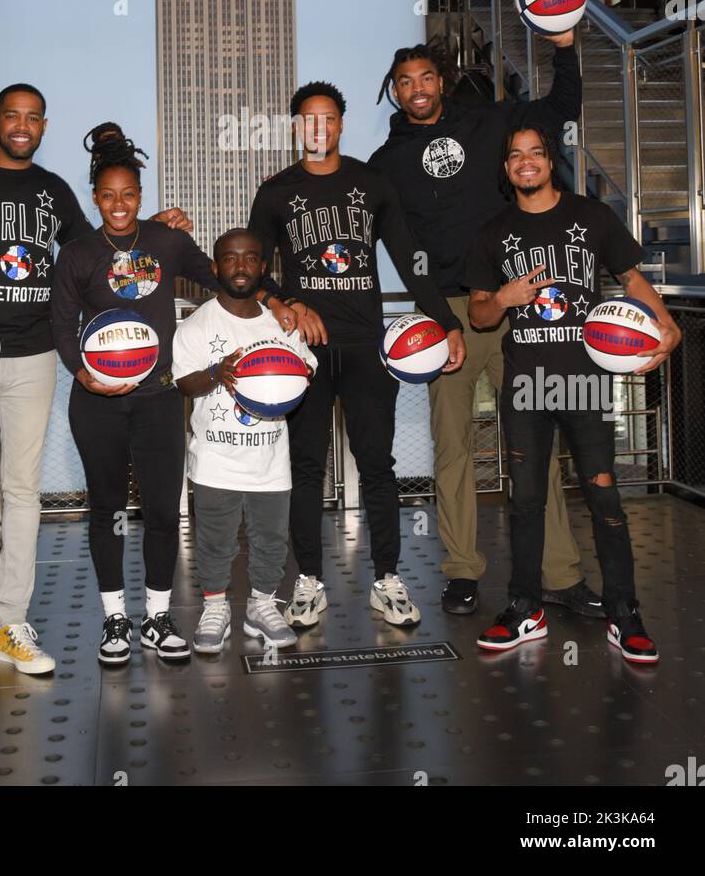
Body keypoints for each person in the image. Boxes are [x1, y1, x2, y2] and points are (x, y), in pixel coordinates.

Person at [0, 87, 191, 694]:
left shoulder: (55, 191)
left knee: (22, 491)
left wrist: (157, 226)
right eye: (13, 116)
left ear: (44, 125)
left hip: (33, 357)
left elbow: (106, 251)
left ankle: (11, 626)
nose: (23, 126)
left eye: (34, 118)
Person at [368, 32, 602, 619]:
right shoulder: (386, 163)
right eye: (404, 82)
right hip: (448, 316)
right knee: (453, 450)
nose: (416, 89)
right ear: (394, 93)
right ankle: (463, 572)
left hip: (519, 306)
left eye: (425, 77)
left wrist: (566, 48)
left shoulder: (487, 123)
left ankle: (561, 574)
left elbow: (558, 109)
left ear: (441, 82)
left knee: (536, 447)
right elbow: (401, 249)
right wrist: (435, 319)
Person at [50, 125, 299, 665]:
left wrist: (279, 301)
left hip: (159, 399)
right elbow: (62, 325)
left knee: (163, 511)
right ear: (96, 197)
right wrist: (82, 373)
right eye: (109, 195)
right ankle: (116, 618)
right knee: (107, 510)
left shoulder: (166, 243)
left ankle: (159, 616)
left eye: (130, 195)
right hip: (97, 401)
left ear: (143, 197)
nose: (119, 204)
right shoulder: (76, 253)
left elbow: (229, 276)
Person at [248, 81, 465, 630]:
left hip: (368, 348)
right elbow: (250, 270)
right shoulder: (275, 193)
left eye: (328, 119)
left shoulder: (372, 184)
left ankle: (387, 579)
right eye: (308, 120)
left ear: (341, 125)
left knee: (377, 466)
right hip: (306, 354)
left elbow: (411, 258)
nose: (318, 128)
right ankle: (308, 583)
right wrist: (284, 301)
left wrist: (446, 320)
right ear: (296, 128)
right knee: (304, 468)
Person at [466, 125, 681, 661]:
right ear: (506, 168)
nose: (526, 162)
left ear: (549, 160)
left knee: (605, 497)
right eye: (514, 155)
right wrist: (506, 296)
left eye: (536, 152)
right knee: (526, 502)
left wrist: (667, 323)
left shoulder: (591, 216)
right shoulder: (493, 232)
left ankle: (623, 611)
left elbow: (631, 280)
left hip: (585, 381)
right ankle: (525, 607)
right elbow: (479, 313)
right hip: (527, 385)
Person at [172, 228, 317, 654]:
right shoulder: (199, 324)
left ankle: (261, 606)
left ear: (263, 267)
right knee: (215, 541)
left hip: (270, 460)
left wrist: (290, 380)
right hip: (216, 458)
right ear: (215, 268)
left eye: (251, 258)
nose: (240, 267)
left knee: (271, 540)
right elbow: (183, 383)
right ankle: (215, 607)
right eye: (231, 259)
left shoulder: (282, 322)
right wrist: (219, 372)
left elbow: (307, 370)